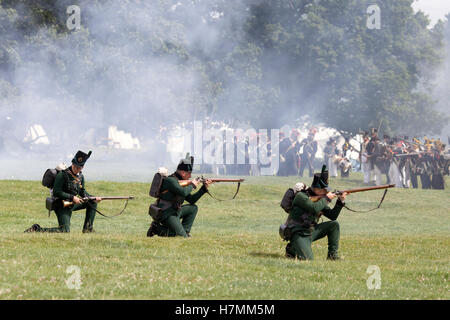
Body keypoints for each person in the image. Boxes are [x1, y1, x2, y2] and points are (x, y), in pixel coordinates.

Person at [24, 150, 101, 233]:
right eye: (74, 166)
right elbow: (57, 192)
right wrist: (72, 197)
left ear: (82, 167)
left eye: (78, 167)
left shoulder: (81, 177)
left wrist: (92, 198)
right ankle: (37, 229)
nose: (76, 169)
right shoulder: (62, 175)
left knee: (92, 202)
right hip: (61, 205)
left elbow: (82, 192)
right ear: (72, 163)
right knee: (64, 230)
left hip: (72, 204)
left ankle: (88, 229)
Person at [284, 165, 347, 260]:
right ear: (317, 189)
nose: (326, 193)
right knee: (308, 260)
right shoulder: (301, 196)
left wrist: (340, 201)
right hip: (299, 232)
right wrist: (327, 198)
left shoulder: (320, 199)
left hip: (311, 231)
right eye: (324, 191)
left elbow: (332, 216)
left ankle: (332, 255)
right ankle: (292, 249)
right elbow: (314, 208)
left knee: (334, 225)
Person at [147, 154, 213, 238]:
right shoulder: (171, 181)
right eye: (189, 174)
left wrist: (203, 188)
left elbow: (191, 200)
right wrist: (192, 185)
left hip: (175, 211)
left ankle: (185, 231)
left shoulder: (181, 182)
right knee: (180, 236)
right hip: (166, 213)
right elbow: (183, 192)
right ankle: (156, 229)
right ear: (182, 172)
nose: (190, 176)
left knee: (193, 208)